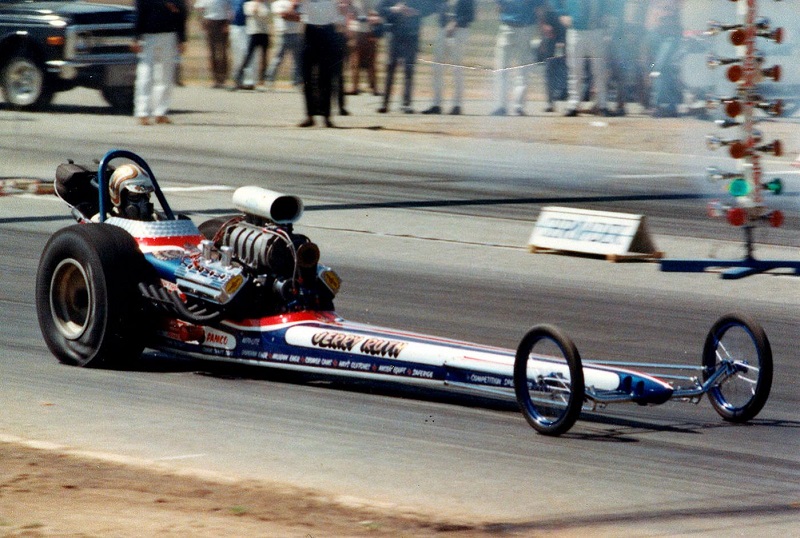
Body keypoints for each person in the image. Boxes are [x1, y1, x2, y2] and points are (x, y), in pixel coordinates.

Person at [288, 0, 343, 127]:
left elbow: (341, 10)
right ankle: (310, 115)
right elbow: (293, 9)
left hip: (328, 31)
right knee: (307, 76)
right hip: (310, 31)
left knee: (326, 77)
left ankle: (326, 116)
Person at [133, 0, 187, 125]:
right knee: (145, 75)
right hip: (149, 36)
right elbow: (139, 14)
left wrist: (182, 39)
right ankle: (142, 113)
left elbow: (181, 13)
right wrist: (135, 38)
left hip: (170, 36)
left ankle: (161, 112)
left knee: (166, 76)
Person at [376, 0, 435, 114]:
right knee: (390, 69)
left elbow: (431, 8)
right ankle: (385, 103)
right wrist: (394, 9)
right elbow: (380, 9)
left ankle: (406, 104)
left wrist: (416, 12)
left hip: (411, 36)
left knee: (409, 70)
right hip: (395, 35)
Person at [490, 0, 545, 117]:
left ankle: (512, 106)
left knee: (519, 69)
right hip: (514, 26)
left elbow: (499, 7)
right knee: (505, 69)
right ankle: (507, 106)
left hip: (522, 28)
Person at [559, 0, 614, 117]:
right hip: (576, 30)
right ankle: (574, 105)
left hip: (596, 30)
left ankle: (602, 104)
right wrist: (561, 13)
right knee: (575, 70)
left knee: (599, 70)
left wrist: (606, 14)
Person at [421, 0, 475, 115]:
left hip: (460, 31)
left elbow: (470, 15)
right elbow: (431, 7)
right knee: (437, 68)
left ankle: (457, 105)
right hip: (443, 30)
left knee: (456, 68)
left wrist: (456, 23)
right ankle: (437, 104)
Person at [345, 0, 381, 96]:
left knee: (371, 62)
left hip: (370, 32)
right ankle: (355, 87)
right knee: (355, 61)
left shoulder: (374, 2)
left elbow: (375, 16)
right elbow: (350, 15)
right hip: (357, 32)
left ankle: (374, 88)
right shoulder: (354, 2)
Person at [266, 0, 304, 87]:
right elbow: (283, 15)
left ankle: (296, 81)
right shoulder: (279, 3)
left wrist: (291, 15)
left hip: (296, 34)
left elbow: (300, 18)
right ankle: (269, 79)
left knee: (297, 60)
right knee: (278, 58)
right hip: (283, 34)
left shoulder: (299, 4)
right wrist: (292, 9)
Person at [195, 0, 233, 88]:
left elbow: (230, 9)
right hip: (210, 22)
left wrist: (227, 24)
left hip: (222, 22)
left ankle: (223, 78)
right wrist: (201, 21)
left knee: (222, 51)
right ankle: (215, 79)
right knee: (212, 52)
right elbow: (199, 8)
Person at [234, 0, 271, 88]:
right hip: (254, 33)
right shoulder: (248, 4)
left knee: (264, 58)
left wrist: (260, 8)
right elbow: (251, 13)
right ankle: (239, 77)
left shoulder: (266, 4)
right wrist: (257, 4)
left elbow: (265, 16)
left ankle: (263, 80)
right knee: (248, 56)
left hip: (264, 33)